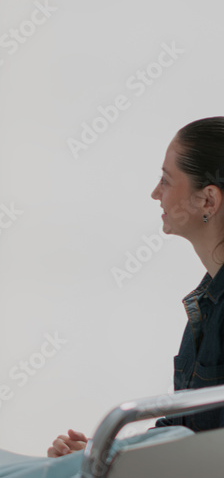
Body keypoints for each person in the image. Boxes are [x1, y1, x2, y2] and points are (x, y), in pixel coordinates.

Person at [48, 117, 224, 457]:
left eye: (166, 180)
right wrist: (106, 455)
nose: (155, 193)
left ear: (208, 201)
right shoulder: (206, 303)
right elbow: (183, 430)